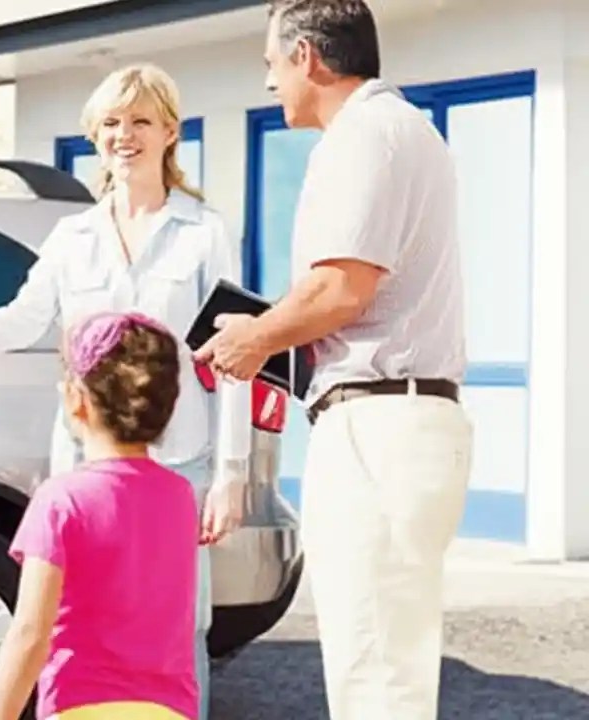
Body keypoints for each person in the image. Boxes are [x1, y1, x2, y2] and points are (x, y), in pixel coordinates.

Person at [0, 63, 250, 719]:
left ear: (170, 133)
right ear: (95, 135)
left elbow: (233, 355)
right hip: (84, 466)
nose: (124, 135)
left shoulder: (204, 232)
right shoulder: (73, 237)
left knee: (181, 633)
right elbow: (15, 323)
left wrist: (231, 472)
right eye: (111, 124)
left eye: (140, 122)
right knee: (72, 624)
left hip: (178, 463)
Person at [195, 1, 473, 718]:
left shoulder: (364, 136)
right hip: (399, 418)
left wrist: (253, 339)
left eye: (270, 65)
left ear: (309, 57)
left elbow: (340, 287)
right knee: (388, 664)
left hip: (377, 425)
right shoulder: (404, 131)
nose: (268, 85)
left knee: (374, 668)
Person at [0, 311, 198, 720]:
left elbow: (31, 632)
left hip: (81, 706)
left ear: (76, 400)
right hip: (169, 709)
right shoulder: (180, 496)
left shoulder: (61, 501)